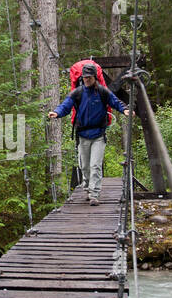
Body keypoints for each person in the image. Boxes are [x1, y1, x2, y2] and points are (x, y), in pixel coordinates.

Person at [48, 63, 130, 205]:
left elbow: (115, 102)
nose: (87, 80)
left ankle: (94, 194)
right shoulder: (77, 93)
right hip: (82, 135)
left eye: (89, 77)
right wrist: (57, 112)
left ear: (95, 77)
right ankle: (87, 187)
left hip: (98, 134)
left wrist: (125, 110)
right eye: (85, 77)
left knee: (95, 165)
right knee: (84, 166)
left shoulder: (103, 92)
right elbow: (66, 105)